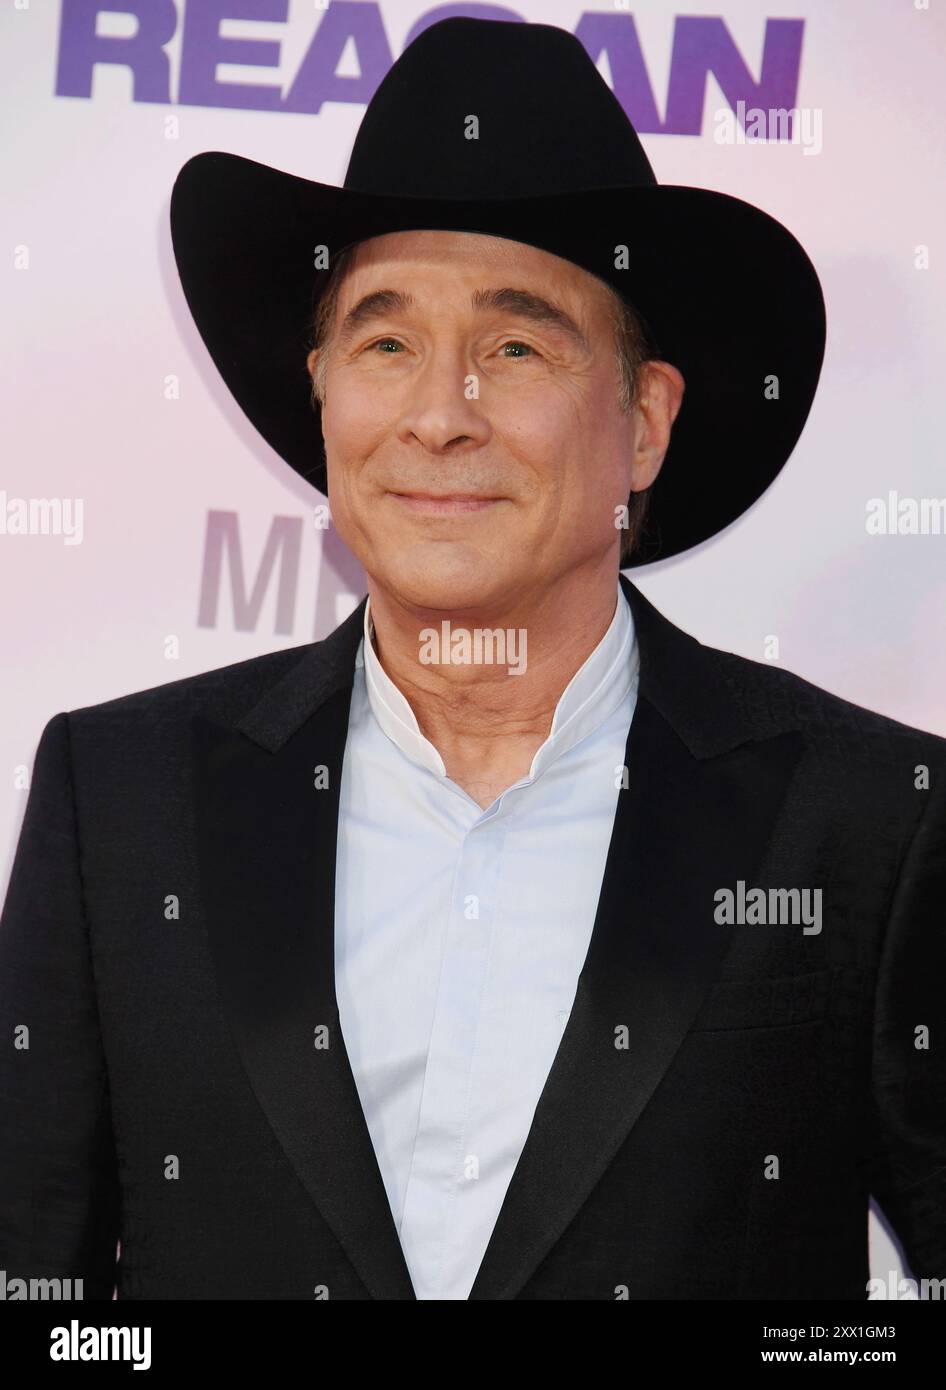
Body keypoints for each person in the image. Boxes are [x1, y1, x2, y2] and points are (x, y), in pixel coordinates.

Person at [1, 17, 944, 1302]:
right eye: (387, 343)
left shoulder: (869, 822)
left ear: (645, 421)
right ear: (325, 390)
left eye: (515, 347)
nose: (441, 415)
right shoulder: (115, 801)